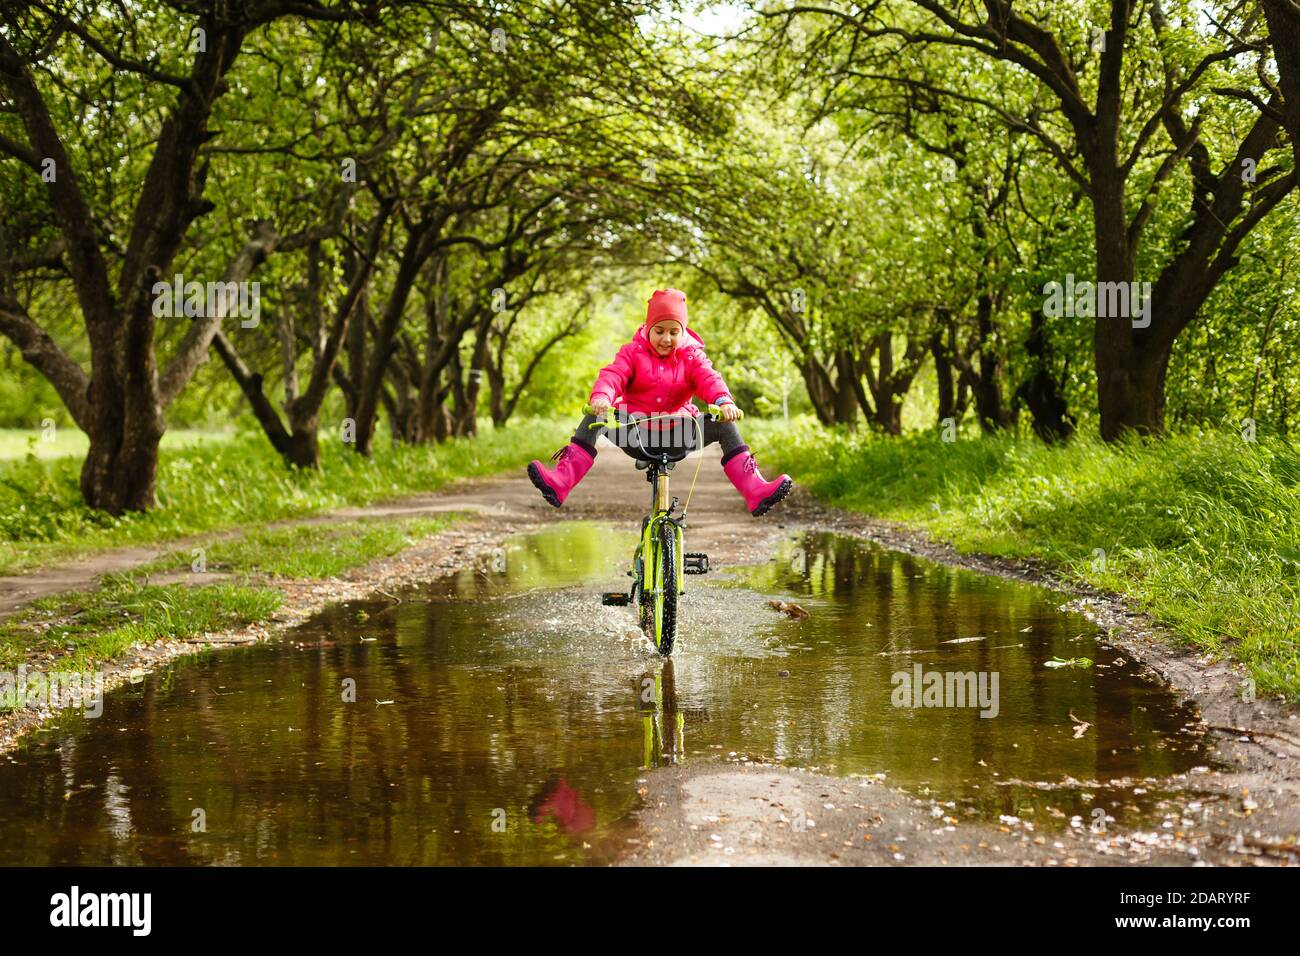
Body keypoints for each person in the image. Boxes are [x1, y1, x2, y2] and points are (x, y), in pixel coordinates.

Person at [526, 288, 794, 516]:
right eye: (660, 331)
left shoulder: (692, 357)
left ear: (683, 332)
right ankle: (561, 482)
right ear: (648, 328)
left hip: (680, 434)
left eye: (673, 332)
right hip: (636, 434)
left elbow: (709, 379)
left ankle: (755, 490)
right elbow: (613, 375)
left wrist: (724, 401)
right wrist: (602, 397)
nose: (666, 338)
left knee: (722, 423)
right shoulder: (632, 353)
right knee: (595, 418)